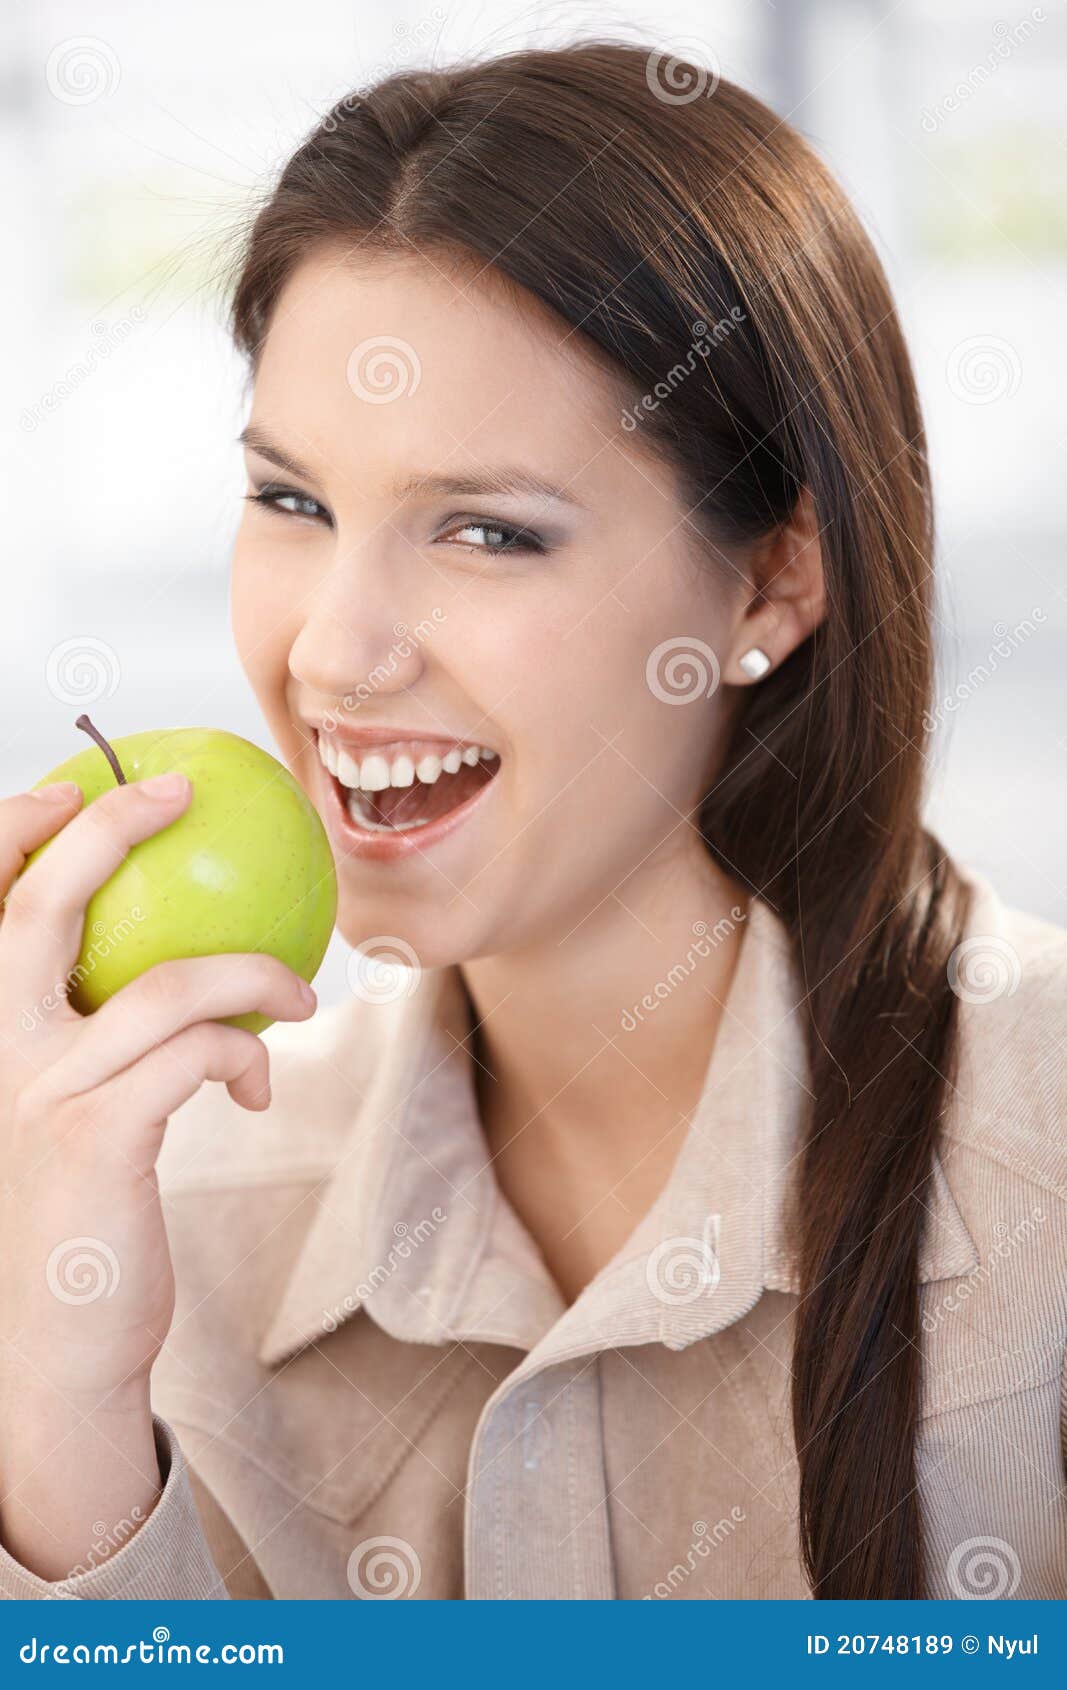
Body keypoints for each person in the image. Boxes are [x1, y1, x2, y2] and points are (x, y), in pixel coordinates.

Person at [1, 41, 1064, 1602]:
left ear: (770, 582)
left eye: (489, 531)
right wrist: (59, 1397)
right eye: (292, 502)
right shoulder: (156, 1204)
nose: (335, 654)